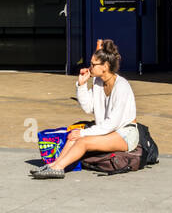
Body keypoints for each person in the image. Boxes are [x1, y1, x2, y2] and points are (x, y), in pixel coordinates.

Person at [32, 39, 137, 178]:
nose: (90, 67)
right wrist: (81, 85)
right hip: (109, 130)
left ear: (105, 66)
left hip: (125, 133)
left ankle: (59, 168)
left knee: (83, 140)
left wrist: (83, 134)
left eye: (93, 64)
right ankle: (54, 165)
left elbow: (112, 123)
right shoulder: (98, 82)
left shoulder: (122, 86)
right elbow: (89, 108)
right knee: (73, 135)